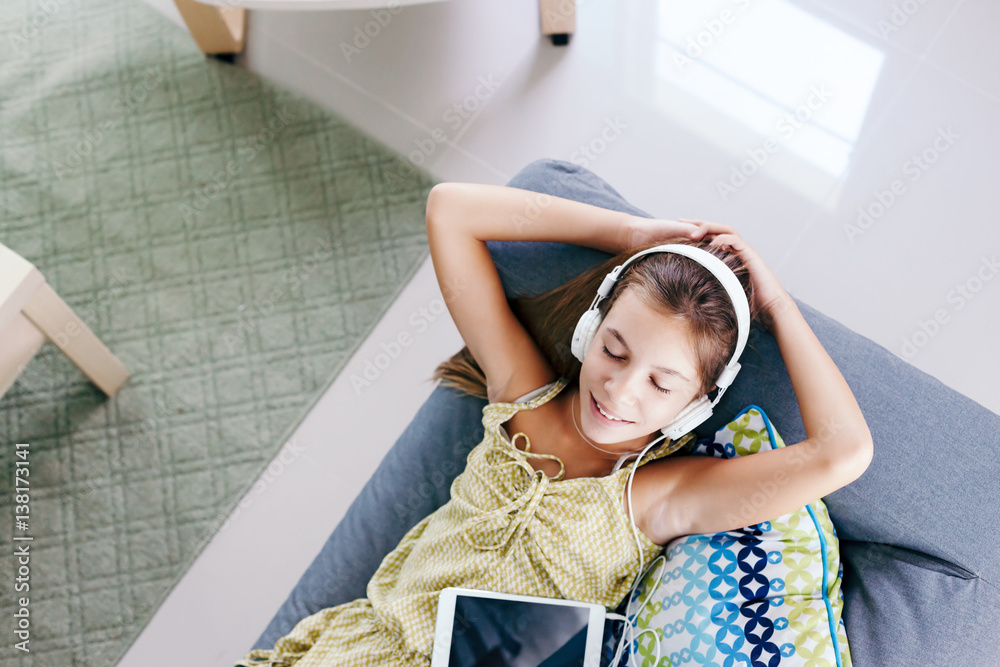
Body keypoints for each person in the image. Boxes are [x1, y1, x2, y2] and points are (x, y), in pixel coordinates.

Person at [235, 182, 874, 667]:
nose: (619, 390)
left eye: (661, 384)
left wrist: (777, 304)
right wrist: (630, 234)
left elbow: (843, 451)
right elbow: (449, 209)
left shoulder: (660, 496)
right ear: (591, 328)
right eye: (614, 350)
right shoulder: (524, 395)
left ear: (699, 402)